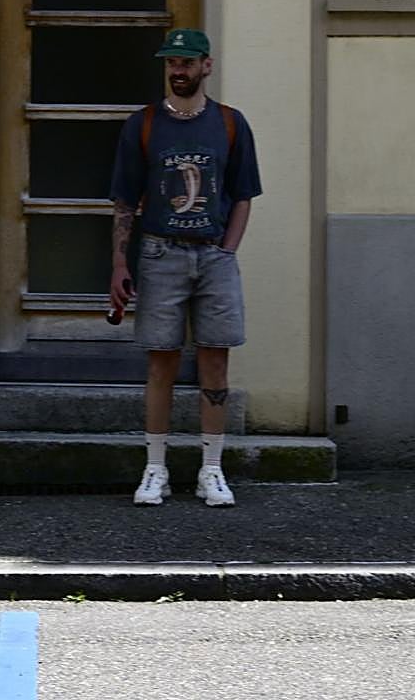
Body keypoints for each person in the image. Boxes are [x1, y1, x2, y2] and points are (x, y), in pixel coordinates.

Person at [108, 29, 262, 508]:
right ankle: (155, 468)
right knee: (162, 361)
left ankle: (211, 470)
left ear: (206, 66)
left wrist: (228, 250)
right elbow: (124, 200)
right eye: (172, 63)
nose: (178, 71)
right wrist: (119, 263)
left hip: (214, 255)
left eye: (187, 62)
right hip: (160, 254)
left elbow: (243, 195)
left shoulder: (231, 125)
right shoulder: (144, 124)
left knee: (216, 360)